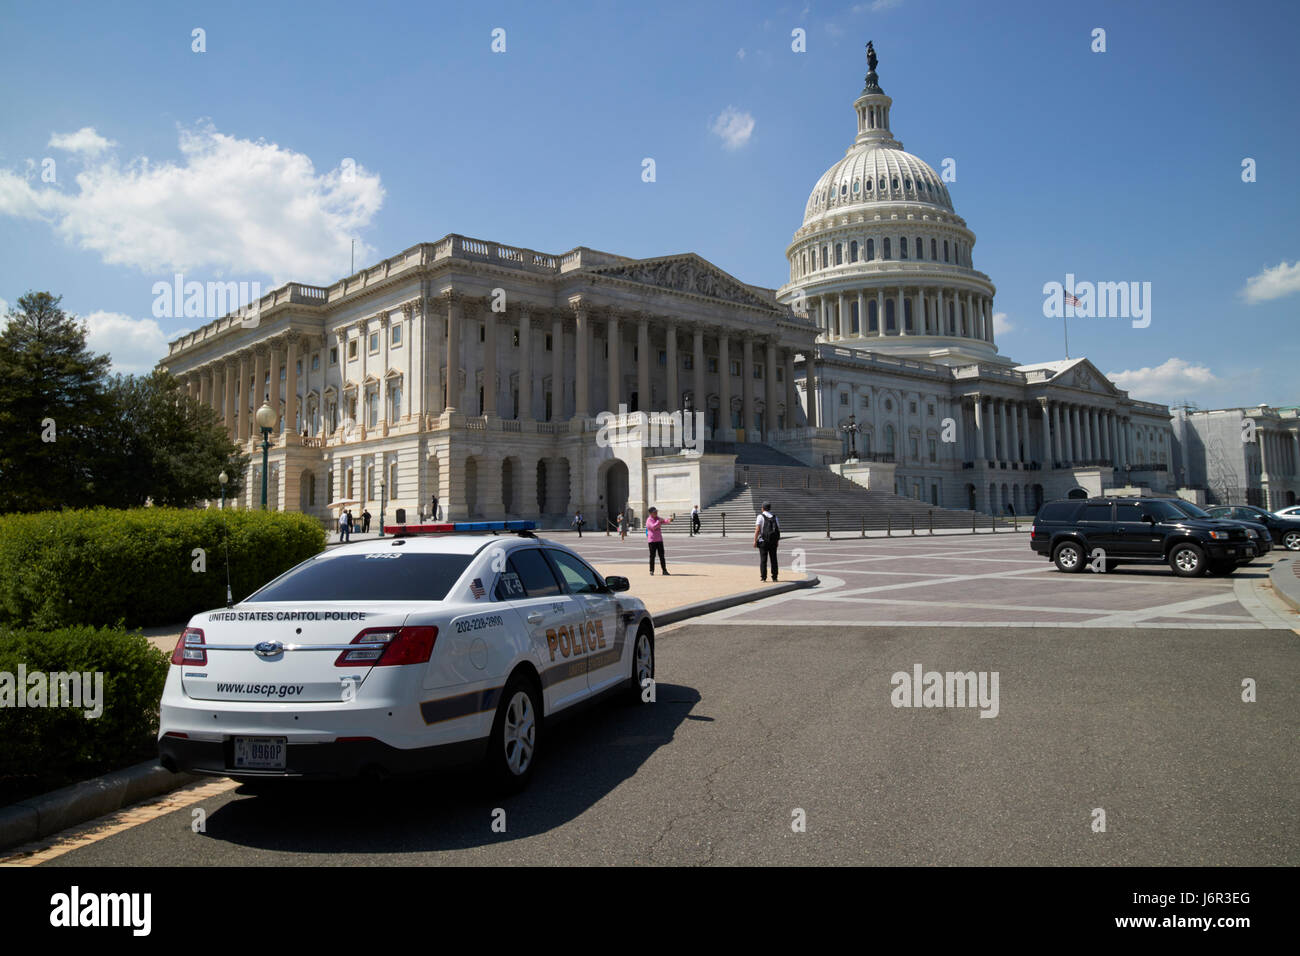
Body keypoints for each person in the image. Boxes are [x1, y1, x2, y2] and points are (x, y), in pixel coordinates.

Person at [753, 501, 781, 582]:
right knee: (774, 559)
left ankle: (763, 577)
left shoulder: (760, 516)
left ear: (762, 508)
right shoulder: (775, 517)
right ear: (769, 508)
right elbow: (778, 529)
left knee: (763, 560)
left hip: (763, 541)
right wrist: (777, 541)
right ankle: (775, 577)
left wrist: (755, 540)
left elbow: (757, 529)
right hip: (773, 541)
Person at [645, 506, 672, 575]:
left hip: (659, 540)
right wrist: (658, 522)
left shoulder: (657, 518)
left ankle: (664, 570)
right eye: (654, 512)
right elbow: (653, 527)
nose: (656, 513)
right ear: (651, 513)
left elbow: (664, 521)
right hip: (652, 540)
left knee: (662, 556)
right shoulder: (649, 520)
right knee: (652, 556)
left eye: (656, 511)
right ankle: (651, 570)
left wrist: (669, 520)